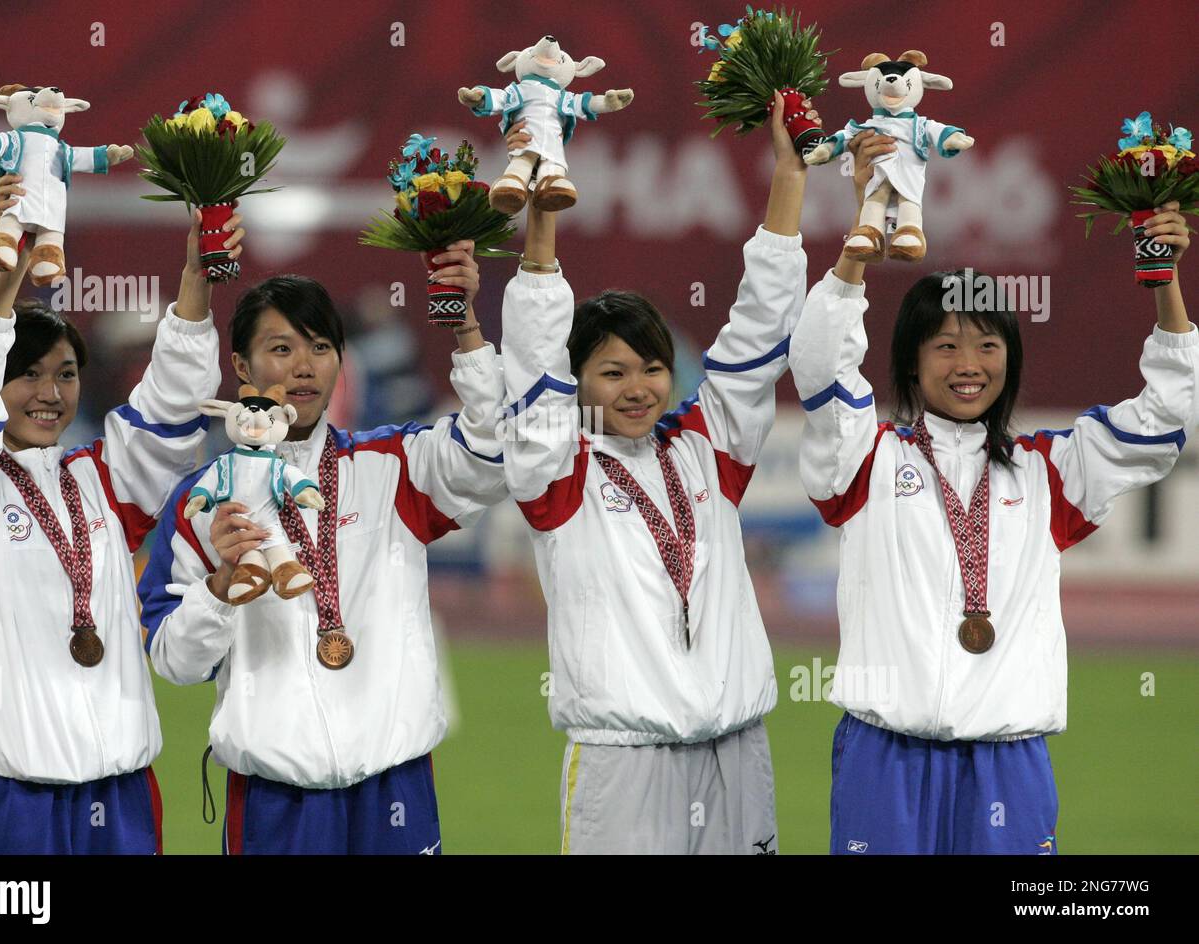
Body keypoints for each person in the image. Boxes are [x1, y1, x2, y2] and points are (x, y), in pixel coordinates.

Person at [789, 130, 1199, 854]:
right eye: (945, 346)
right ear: (911, 365)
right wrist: (856, 251)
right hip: (884, 760)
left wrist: (1164, 282)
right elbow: (822, 370)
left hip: (1009, 762)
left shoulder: (1050, 472)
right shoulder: (866, 458)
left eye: (988, 345)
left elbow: (1166, 415)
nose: (969, 365)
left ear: (1011, 359)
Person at [499, 94, 811, 854]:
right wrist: (540, 225)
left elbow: (760, 332)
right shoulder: (556, 472)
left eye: (652, 368)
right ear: (575, 383)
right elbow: (535, 366)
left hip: (738, 751)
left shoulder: (710, 448)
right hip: (622, 763)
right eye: (611, 371)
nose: (638, 387)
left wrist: (790, 175)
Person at [138, 243, 506, 854]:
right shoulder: (204, 500)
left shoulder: (393, 465)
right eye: (281, 349)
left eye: (320, 347)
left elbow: (493, 456)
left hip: (395, 785)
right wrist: (219, 592)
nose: (303, 367)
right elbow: (175, 661)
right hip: (276, 800)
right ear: (243, 368)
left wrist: (465, 325)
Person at [0, 174, 244, 853]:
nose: (49, 392)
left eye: (64, 373)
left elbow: (170, 406)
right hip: (11, 803)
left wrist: (195, 276)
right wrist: (6, 280)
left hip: (121, 795)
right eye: (28, 374)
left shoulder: (100, 477)